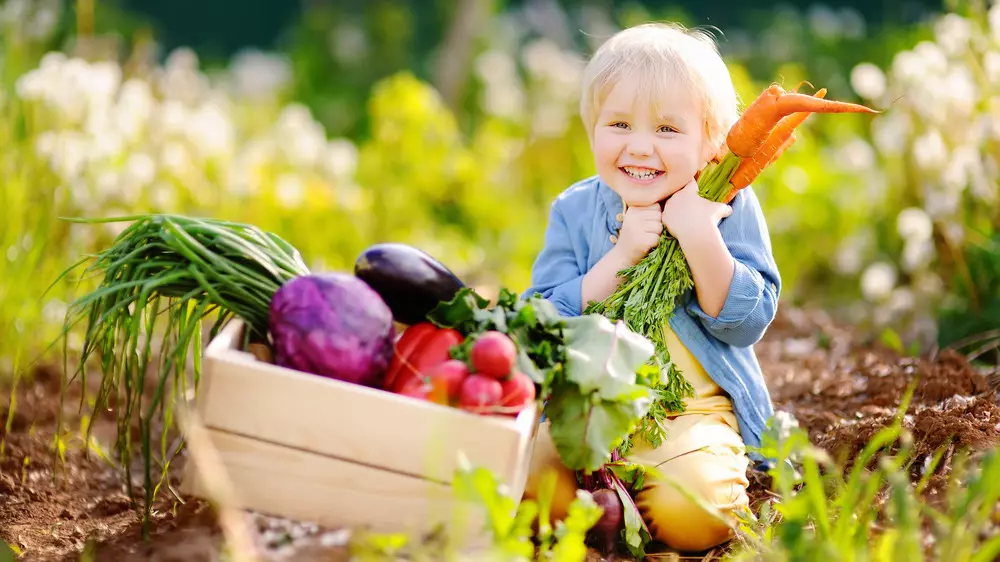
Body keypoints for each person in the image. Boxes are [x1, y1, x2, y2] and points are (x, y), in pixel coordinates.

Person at [520, 22, 780, 553]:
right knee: (521, 479)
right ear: (592, 129)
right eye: (618, 124)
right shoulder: (574, 209)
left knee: (697, 511)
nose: (640, 148)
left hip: (688, 414)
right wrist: (620, 257)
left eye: (667, 129)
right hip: (585, 411)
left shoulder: (727, 205)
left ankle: (636, 504)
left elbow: (747, 321)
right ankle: (610, 508)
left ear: (710, 142)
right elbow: (538, 323)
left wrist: (700, 234)